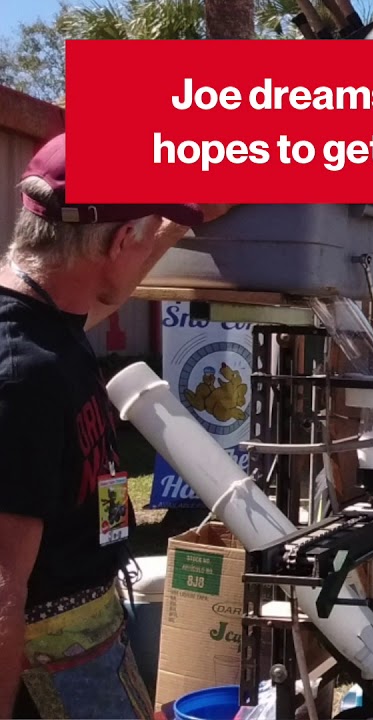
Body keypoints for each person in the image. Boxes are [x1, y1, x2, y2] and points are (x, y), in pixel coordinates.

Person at [0, 133, 232, 718]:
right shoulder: (19, 376)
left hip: (90, 646)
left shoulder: (52, 319)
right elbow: (2, 590)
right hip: (40, 677)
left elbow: (112, 284)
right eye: (147, 232)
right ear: (121, 237)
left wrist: (185, 218)